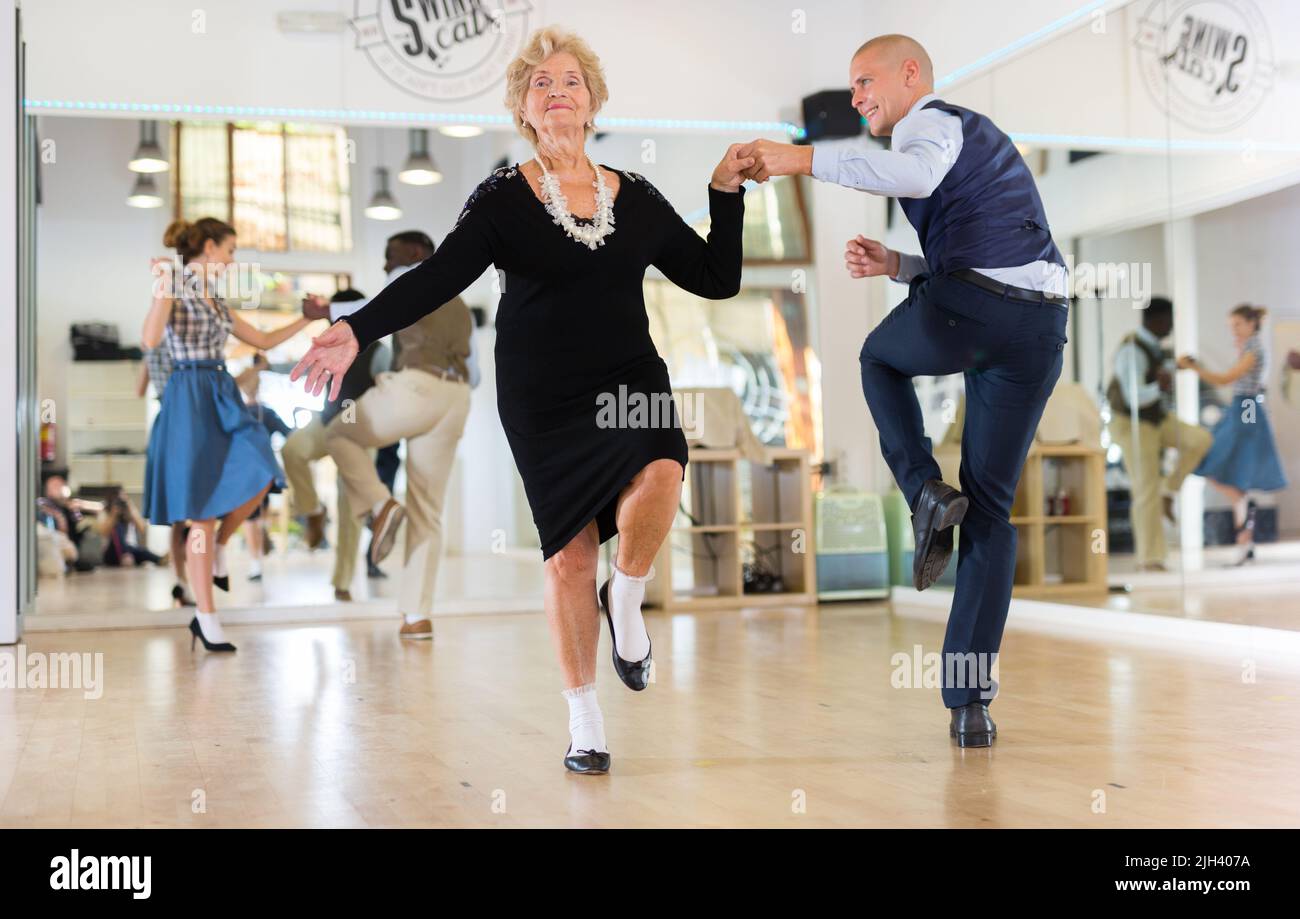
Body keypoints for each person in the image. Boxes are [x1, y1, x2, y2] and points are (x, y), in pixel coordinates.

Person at [292, 26, 750, 773]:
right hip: (541, 394)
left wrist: (724, 196)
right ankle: (584, 718)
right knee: (569, 554)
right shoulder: (505, 197)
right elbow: (438, 276)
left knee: (664, 466)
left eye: (571, 80)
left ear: (594, 100)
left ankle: (626, 596)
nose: (558, 90)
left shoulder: (635, 199)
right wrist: (355, 325)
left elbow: (713, 276)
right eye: (541, 84)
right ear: (525, 110)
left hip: (629, 373)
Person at [739, 34, 1068, 747]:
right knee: (989, 515)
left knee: (875, 360)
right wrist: (900, 264)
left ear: (911, 73)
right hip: (1038, 329)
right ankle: (970, 705)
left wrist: (800, 158)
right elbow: (994, 256)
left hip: (976, 313)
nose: (856, 98)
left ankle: (922, 490)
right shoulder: (976, 140)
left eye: (864, 81)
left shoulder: (932, 120)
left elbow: (913, 177)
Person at [141, 217, 312, 652]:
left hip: (221, 390)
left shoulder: (215, 298)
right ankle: (206, 616)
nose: (234, 258)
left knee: (262, 470)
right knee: (200, 508)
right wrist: (164, 282)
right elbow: (149, 337)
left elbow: (264, 339)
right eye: (231, 249)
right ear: (210, 247)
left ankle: (217, 545)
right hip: (188, 395)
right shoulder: (175, 286)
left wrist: (306, 319)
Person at [317, 233, 477, 630]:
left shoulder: (408, 276)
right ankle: (417, 616)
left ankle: (379, 505)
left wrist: (324, 309)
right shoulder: (460, 303)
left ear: (414, 253)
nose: (387, 266)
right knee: (427, 509)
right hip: (455, 398)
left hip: (415, 388)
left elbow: (368, 309)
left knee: (339, 433)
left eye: (389, 257)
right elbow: (475, 375)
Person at [284, 288, 382, 600]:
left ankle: (342, 581)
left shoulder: (379, 351)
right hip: (326, 423)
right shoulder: (327, 344)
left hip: (359, 432)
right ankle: (312, 512)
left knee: (349, 506)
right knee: (291, 450)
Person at [1106, 296, 1211, 571]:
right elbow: (1136, 398)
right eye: (1169, 320)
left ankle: (1169, 489)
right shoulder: (1131, 350)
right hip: (1132, 423)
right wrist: (1161, 386)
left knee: (1199, 440)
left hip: (1155, 419)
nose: (1171, 327)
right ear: (1155, 320)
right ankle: (1149, 557)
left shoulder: (1152, 347)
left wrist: (1173, 369)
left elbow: (1154, 378)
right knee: (1144, 489)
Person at [1179, 303, 1288, 565]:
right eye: (1232, 327)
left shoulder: (1255, 349)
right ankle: (1244, 526)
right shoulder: (1248, 348)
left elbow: (1225, 380)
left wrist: (1194, 369)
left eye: (1238, 325)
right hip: (1241, 409)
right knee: (1220, 472)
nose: (1234, 331)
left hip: (1246, 410)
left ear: (1251, 324)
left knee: (1219, 467)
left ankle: (1244, 531)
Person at [139, 345, 194, 606]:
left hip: (163, 425)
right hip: (187, 421)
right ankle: (195, 579)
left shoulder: (150, 349)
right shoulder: (182, 345)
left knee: (178, 515)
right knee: (197, 508)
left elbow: (139, 390)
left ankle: (181, 580)